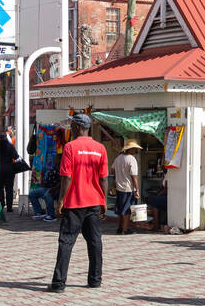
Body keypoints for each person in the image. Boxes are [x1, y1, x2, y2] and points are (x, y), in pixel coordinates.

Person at [48, 113, 108, 293]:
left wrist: (60, 201)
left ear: (76, 127)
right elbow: (104, 179)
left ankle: (59, 284)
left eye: (72, 125)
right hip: (95, 201)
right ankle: (95, 280)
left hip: (74, 202)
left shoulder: (70, 147)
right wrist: (103, 200)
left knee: (66, 242)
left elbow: (66, 176)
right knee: (95, 241)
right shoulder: (100, 148)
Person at [111, 139, 141, 235]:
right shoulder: (132, 159)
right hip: (128, 188)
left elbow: (112, 170)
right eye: (135, 148)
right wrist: (137, 190)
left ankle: (119, 228)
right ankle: (125, 229)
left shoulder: (118, 158)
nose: (136, 150)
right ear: (130, 149)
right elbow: (134, 177)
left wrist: (120, 175)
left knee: (120, 209)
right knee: (127, 209)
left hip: (119, 187)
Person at [29, 151, 59, 221]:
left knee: (47, 195)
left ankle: (51, 215)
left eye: (56, 158)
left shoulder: (61, 168)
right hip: (47, 187)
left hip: (56, 188)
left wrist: (53, 189)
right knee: (32, 193)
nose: (54, 159)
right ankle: (39, 212)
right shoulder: (52, 167)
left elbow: (62, 182)